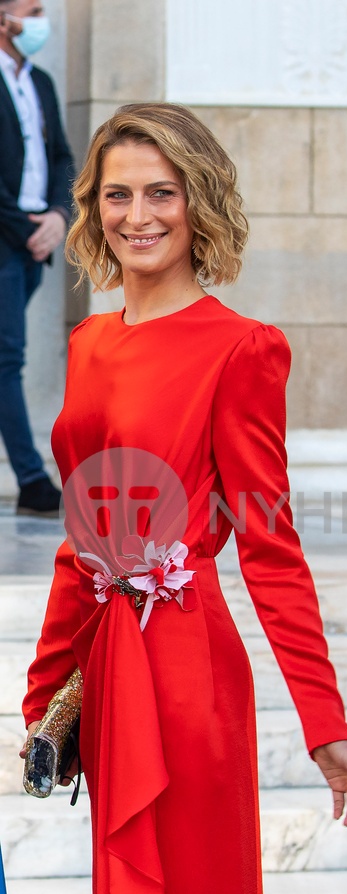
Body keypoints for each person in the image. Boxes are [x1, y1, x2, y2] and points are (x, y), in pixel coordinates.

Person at [20, 102, 347, 894]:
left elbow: (271, 546)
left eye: (161, 193)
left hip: (186, 676)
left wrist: (323, 720)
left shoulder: (240, 348)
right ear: (93, 209)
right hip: (108, 668)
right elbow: (82, 541)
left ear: (199, 202)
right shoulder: (90, 343)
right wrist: (44, 697)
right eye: (116, 195)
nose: (138, 215)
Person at [0, 0, 73, 516]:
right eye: (33, 9)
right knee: (7, 358)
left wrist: (57, 215)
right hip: (9, 236)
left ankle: (30, 477)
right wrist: (23, 226)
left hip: (34, 236)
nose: (40, 21)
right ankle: (31, 480)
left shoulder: (41, 81)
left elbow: (63, 156)